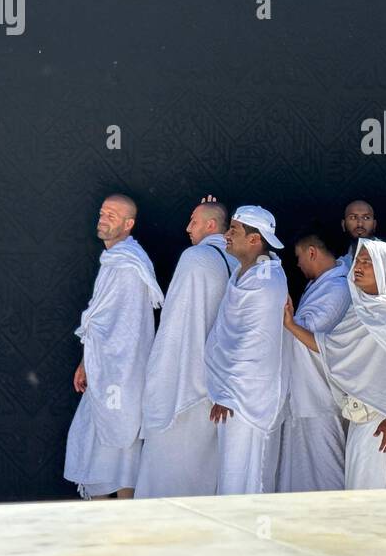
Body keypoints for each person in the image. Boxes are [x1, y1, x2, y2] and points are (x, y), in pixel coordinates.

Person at [284, 239, 386, 490]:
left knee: (382, 492)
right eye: (358, 262)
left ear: (384, 267)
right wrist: (290, 325)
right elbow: (329, 347)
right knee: (358, 487)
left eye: (367, 262)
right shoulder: (359, 310)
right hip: (360, 418)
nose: (358, 267)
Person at [65, 195, 164, 499]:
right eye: (102, 212)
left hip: (123, 373)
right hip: (104, 368)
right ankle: (102, 517)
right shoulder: (115, 260)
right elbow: (101, 320)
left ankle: (125, 518)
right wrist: (87, 362)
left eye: (112, 215)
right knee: (98, 444)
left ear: (128, 224)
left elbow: (128, 328)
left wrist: (105, 365)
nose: (103, 218)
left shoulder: (129, 265)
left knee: (123, 446)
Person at [136, 197, 230, 498]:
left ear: (211, 225)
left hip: (182, 385)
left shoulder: (194, 257)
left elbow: (175, 324)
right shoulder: (238, 260)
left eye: (194, 221)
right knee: (207, 467)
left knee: (169, 467)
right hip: (221, 385)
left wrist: (160, 376)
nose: (188, 228)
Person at [205, 205, 289, 495]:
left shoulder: (266, 282)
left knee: (242, 476)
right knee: (231, 473)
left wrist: (229, 393)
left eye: (234, 230)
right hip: (233, 395)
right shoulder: (247, 272)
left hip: (246, 399)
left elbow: (255, 343)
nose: (226, 235)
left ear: (254, 240)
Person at [277, 229, 350, 492]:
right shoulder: (319, 285)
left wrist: (286, 320)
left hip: (322, 399)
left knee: (327, 474)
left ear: (311, 252)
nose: (297, 264)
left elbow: (314, 333)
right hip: (304, 396)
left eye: (298, 257)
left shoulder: (338, 288)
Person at [341, 200, 378, 265]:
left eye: (366, 218)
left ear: (374, 224)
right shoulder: (342, 263)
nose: (360, 224)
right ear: (343, 224)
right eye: (353, 217)